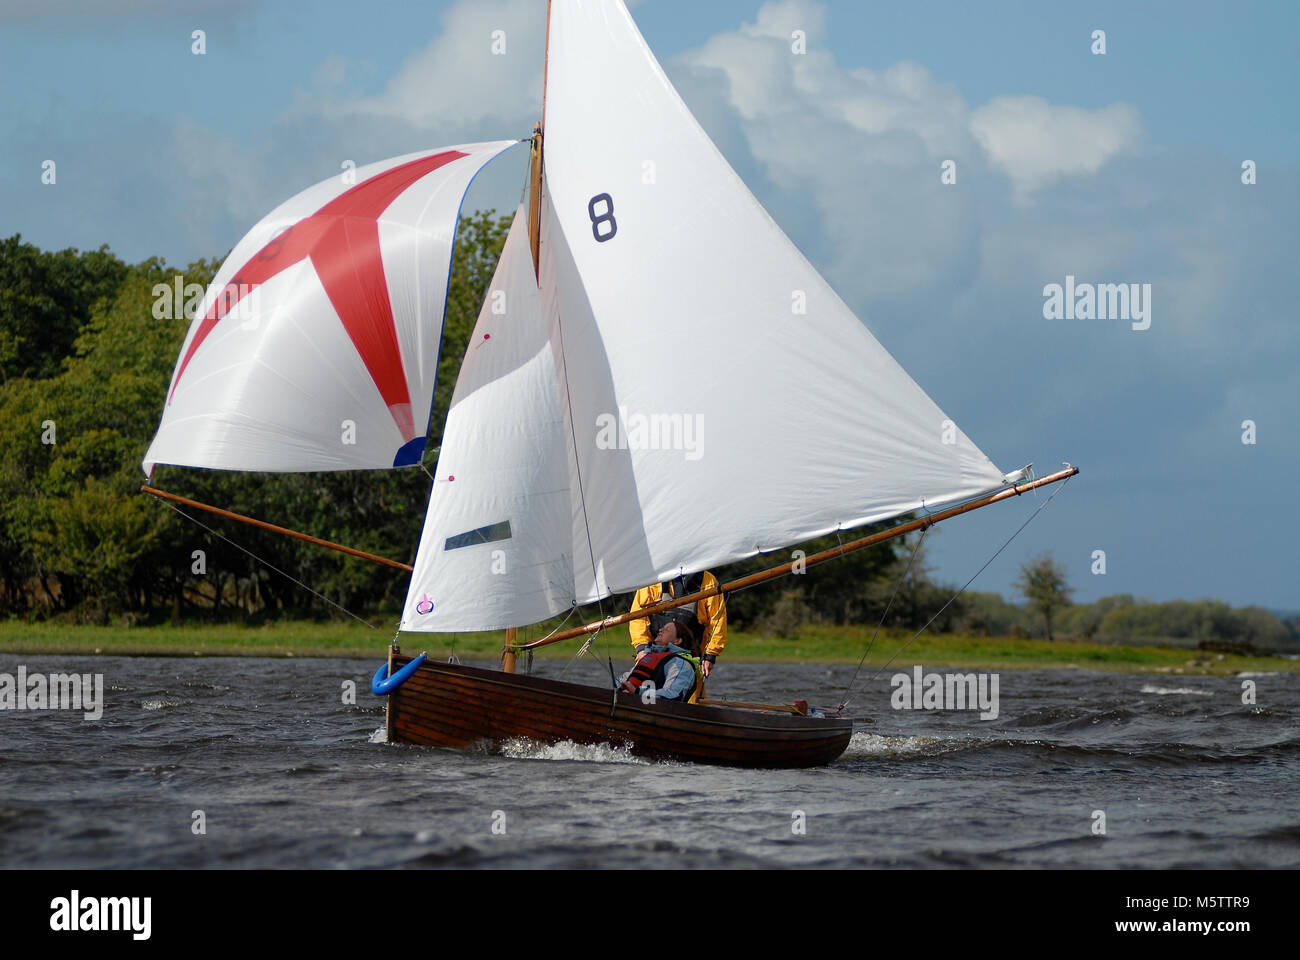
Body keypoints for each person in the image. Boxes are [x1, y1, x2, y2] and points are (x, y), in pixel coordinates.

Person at [629, 570, 726, 678]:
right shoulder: (652, 580)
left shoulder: (708, 581)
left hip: (691, 663)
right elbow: (638, 619)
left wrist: (710, 656)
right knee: (634, 686)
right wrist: (642, 649)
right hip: (652, 659)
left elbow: (717, 621)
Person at [617, 614, 701, 703]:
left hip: (658, 712)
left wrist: (637, 692)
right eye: (662, 627)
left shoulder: (681, 664)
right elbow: (621, 681)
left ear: (677, 640)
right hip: (633, 704)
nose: (660, 630)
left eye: (667, 629)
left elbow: (673, 695)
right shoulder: (649, 658)